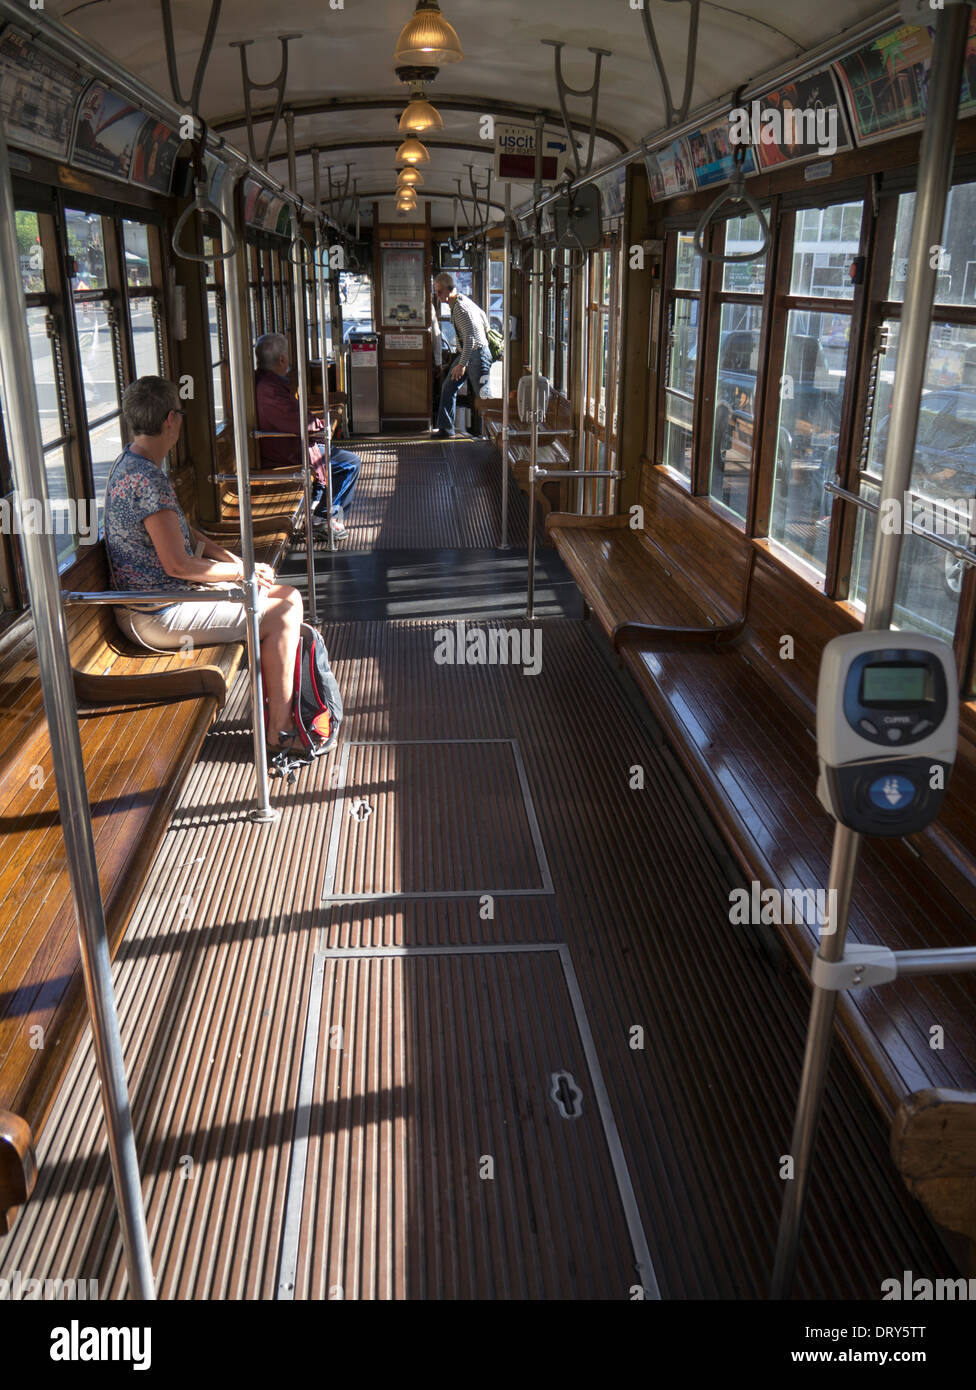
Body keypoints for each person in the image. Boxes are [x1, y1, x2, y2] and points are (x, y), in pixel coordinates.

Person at [103, 376, 304, 752]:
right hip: (156, 615)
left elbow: (185, 531)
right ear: (170, 421)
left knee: (281, 596)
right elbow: (178, 565)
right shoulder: (147, 480)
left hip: (161, 600)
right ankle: (280, 729)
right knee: (286, 608)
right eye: (179, 413)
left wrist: (238, 563)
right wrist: (243, 573)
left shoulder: (132, 462)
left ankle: (278, 714)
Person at [254, 332, 361, 538]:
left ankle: (324, 512)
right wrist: (321, 426)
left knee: (340, 461)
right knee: (350, 464)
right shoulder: (270, 389)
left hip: (288, 443)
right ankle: (322, 518)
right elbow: (296, 420)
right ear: (282, 359)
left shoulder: (268, 383)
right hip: (287, 449)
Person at [432, 272, 493, 439]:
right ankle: (446, 428)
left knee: (484, 397)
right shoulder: (462, 301)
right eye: (436, 292)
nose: (438, 296)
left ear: (450, 289)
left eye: (440, 292)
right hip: (468, 353)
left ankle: (491, 435)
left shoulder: (459, 308)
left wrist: (462, 364)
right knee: (448, 387)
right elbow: (483, 318)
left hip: (477, 354)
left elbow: (470, 339)